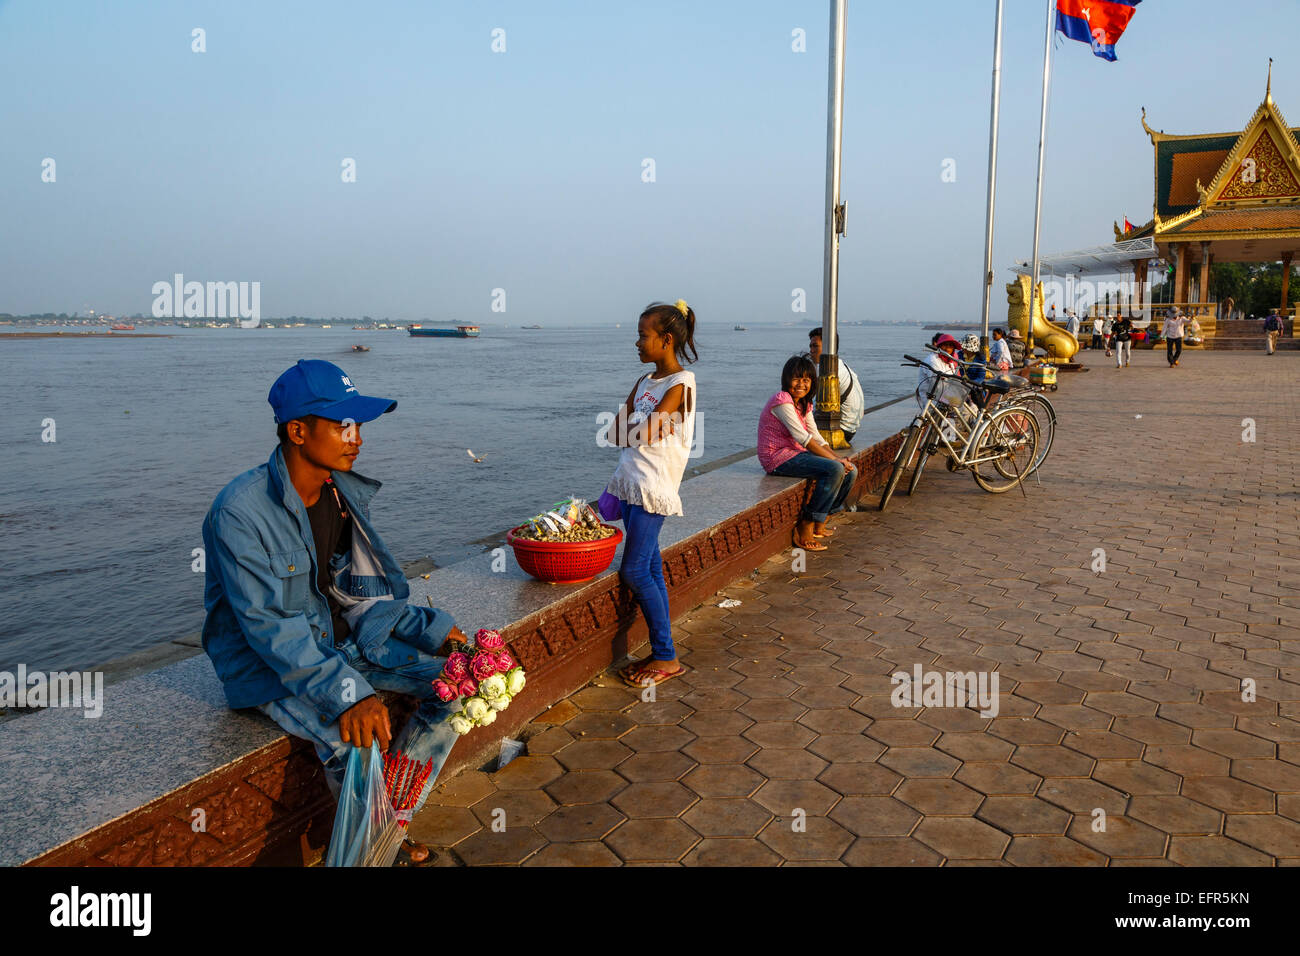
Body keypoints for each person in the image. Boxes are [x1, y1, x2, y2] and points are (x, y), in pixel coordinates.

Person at [202, 359, 463, 866]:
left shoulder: (341, 495)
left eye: (359, 425)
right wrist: (349, 695)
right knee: (357, 744)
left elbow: (358, 593)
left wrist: (433, 630)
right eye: (343, 425)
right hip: (271, 669)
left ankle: (387, 824)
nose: (356, 437)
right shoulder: (239, 511)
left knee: (458, 689)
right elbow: (270, 629)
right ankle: (371, 847)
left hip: (343, 646)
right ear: (298, 431)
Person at [608, 301, 698, 689]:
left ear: (666, 339)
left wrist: (636, 429)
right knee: (650, 568)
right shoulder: (645, 382)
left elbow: (645, 433)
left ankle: (666, 656)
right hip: (629, 482)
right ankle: (664, 651)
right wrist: (637, 429)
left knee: (632, 571)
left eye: (643, 336)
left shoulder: (682, 384)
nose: (637, 342)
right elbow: (614, 432)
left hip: (653, 489)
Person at [758, 354, 857, 554]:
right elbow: (803, 438)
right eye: (796, 379)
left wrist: (838, 459)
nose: (801, 384)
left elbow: (816, 437)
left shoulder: (805, 404)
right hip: (776, 457)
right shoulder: (782, 401)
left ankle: (823, 519)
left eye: (806, 379)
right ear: (787, 380)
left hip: (795, 453)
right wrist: (836, 461)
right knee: (835, 469)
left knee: (851, 470)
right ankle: (807, 523)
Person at [807, 328, 863, 444]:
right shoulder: (840, 364)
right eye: (810, 347)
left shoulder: (827, 370)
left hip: (839, 431)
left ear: (828, 347)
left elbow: (809, 404)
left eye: (815, 346)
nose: (811, 351)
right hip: (849, 429)